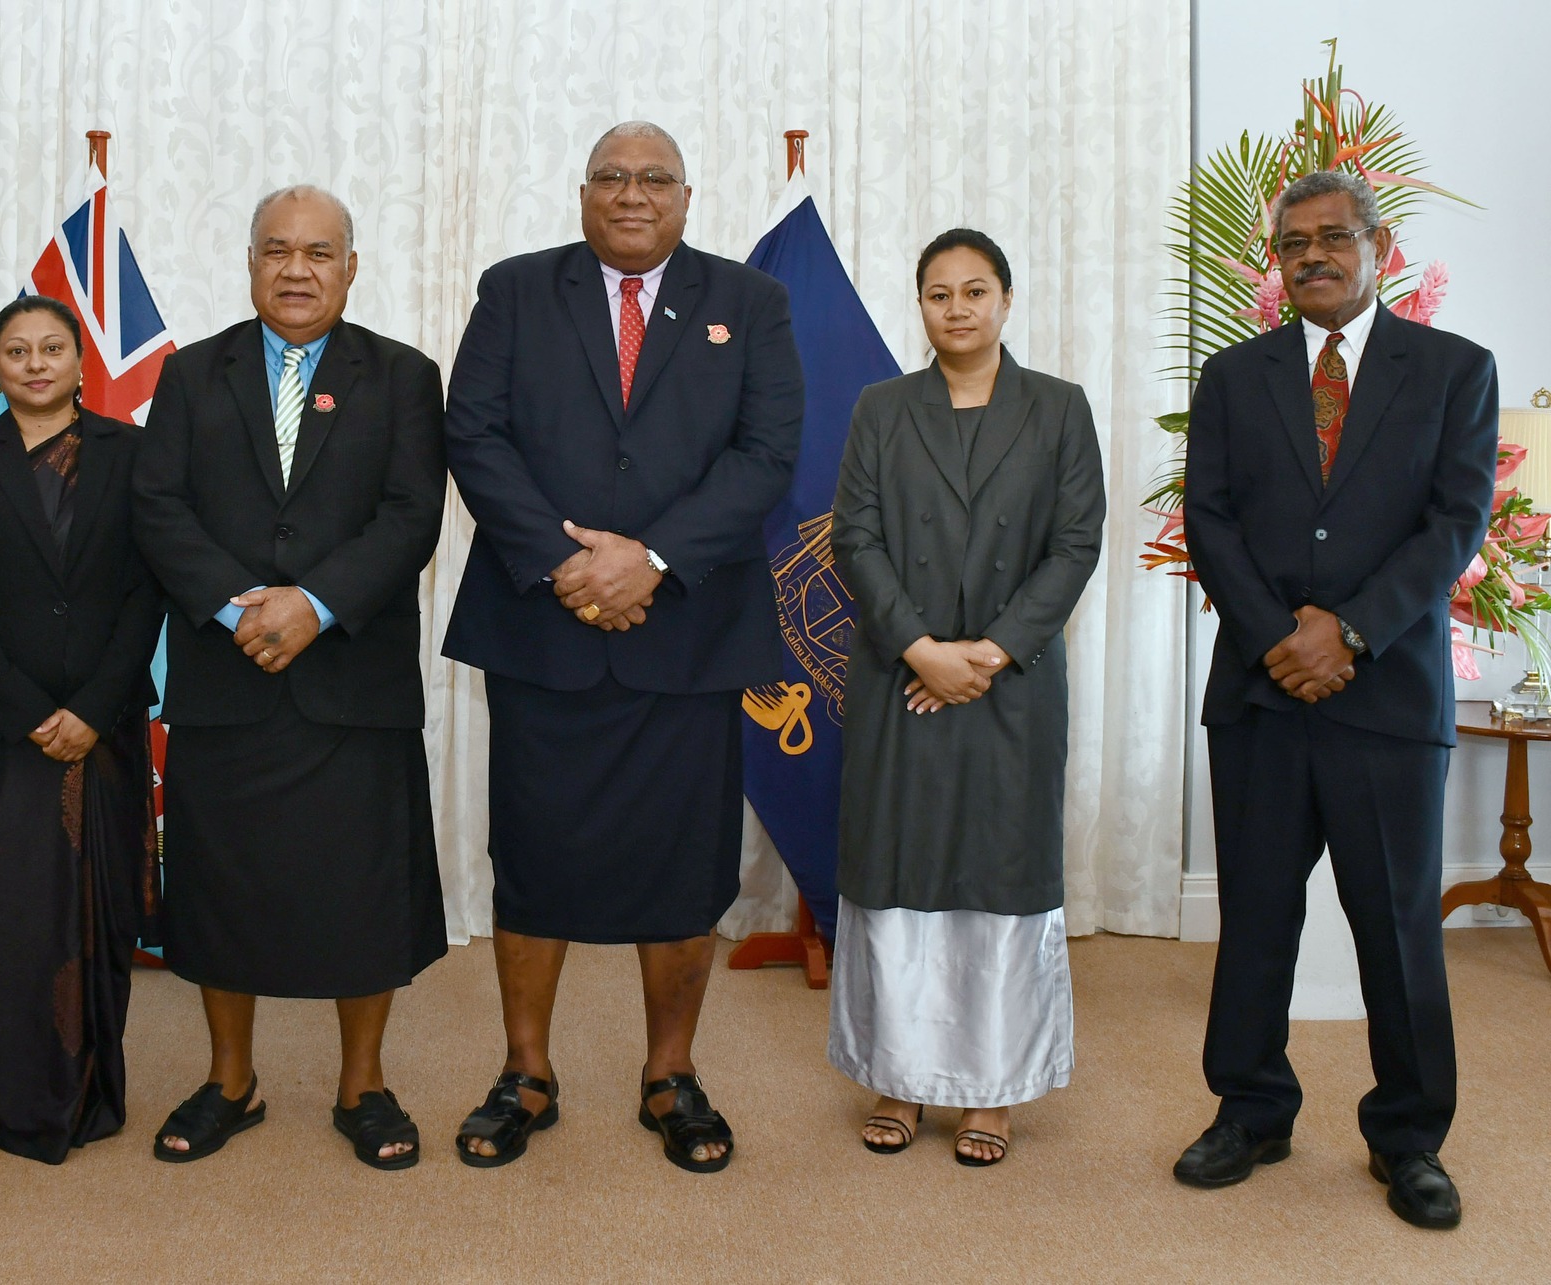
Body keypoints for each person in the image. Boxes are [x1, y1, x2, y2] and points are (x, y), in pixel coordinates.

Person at [442, 121, 803, 1173]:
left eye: (653, 179)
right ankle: (524, 1071)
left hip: (686, 629)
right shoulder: (514, 290)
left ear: (687, 197)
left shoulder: (750, 302)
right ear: (582, 193)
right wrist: (568, 569)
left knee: (683, 867)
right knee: (533, 857)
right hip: (540, 625)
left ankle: (670, 1074)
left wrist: (649, 559)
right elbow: (474, 432)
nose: (631, 193)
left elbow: (767, 451)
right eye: (611, 176)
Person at [1176, 170, 1496, 1230]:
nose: (1310, 255)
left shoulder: (1452, 370)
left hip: (1387, 698)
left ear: (1377, 244)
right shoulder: (1233, 375)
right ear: (1274, 260)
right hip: (1262, 696)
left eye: (1330, 237)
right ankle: (1250, 1109)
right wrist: (1280, 638)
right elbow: (1209, 518)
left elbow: (1452, 524)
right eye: (1290, 242)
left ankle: (1406, 1138)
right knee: (1257, 914)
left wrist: (1346, 628)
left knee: (1395, 926)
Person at [132, 185, 448, 1170]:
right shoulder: (190, 374)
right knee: (225, 889)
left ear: (351, 267)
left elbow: (410, 515)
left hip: (351, 674)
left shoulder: (401, 376)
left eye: (319, 251)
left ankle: (364, 1082)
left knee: (362, 893)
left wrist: (311, 604)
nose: (297, 268)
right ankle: (231, 1078)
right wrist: (238, 605)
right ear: (251, 261)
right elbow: (156, 507)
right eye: (278, 250)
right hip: (226, 674)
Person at [826, 229, 1104, 1167]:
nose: (957, 308)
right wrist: (920, 649)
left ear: (1007, 301)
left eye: (975, 290)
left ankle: (991, 1091)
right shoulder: (880, 407)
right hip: (898, 679)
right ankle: (896, 1076)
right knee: (899, 879)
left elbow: (1076, 544)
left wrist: (982, 655)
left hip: (1009, 688)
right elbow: (854, 538)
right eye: (938, 293)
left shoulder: (1061, 409)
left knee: (996, 881)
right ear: (922, 307)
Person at [0, 295, 164, 1164]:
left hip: (106, 723)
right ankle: (2, 1100)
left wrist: (92, 709)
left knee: (98, 913)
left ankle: (90, 1093)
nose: (34, 362)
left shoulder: (132, 453)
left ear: (78, 361)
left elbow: (147, 591)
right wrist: (28, 711)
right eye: (15, 350)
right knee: (3, 915)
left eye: (51, 346)